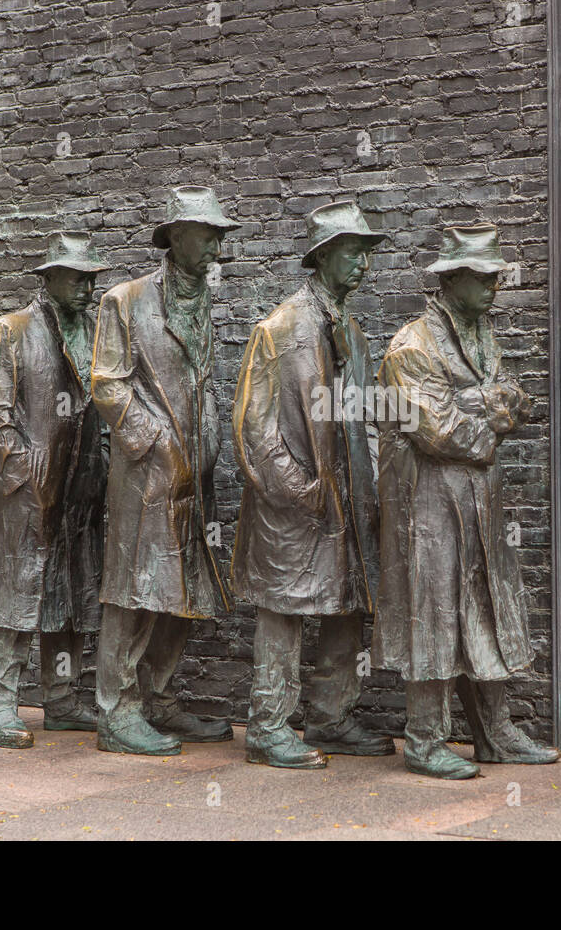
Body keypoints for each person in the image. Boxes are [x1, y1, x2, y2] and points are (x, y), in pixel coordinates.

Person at [375, 224, 561, 778]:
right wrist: (485, 415)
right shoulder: (412, 345)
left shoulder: (484, 335)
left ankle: (494, 732)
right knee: (432, 613)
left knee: (484, 605)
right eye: (482, 277)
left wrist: (478, 402)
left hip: (478, 497)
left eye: (496, 276)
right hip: (428, 502)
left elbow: (514, 400)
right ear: (451, 279)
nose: (494, 287)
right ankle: (426, 739)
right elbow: (436, 428)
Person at [232, 200, 397, 769]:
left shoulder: (349, 330)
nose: (362, 266)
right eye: (353, 253)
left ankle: (331, 717)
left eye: (366, 255)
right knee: (284, 611)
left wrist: (370, 482)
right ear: (324, 256)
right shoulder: (279, 329)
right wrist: (300, 491)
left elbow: (367, 414)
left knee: (345, 606)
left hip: (348, 499)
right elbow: (255, 431)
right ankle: (268, 726)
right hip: (295, 506)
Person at [90, 186, 239, 755]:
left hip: (193, 479)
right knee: (133, 591)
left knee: (184, 592)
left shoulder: (204, 299)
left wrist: (207, 444)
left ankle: (159, 699)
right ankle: (116, 712)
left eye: (219, 235)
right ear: (175, 237)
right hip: (146, 475)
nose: (215, 246)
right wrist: (152, 439)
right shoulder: (124, 301)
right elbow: (106, 380)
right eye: (206, 234)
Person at [0, 232, 111, 748]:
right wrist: (24, 476)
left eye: (92, 279)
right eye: (77, 278)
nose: (87, 288)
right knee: (19, 594)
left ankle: (61, 697)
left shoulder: (96, 330)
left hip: (81, 486)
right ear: (49, 278)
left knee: (69, 591)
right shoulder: (10, 331)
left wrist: (97, 467)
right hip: (27, 493)